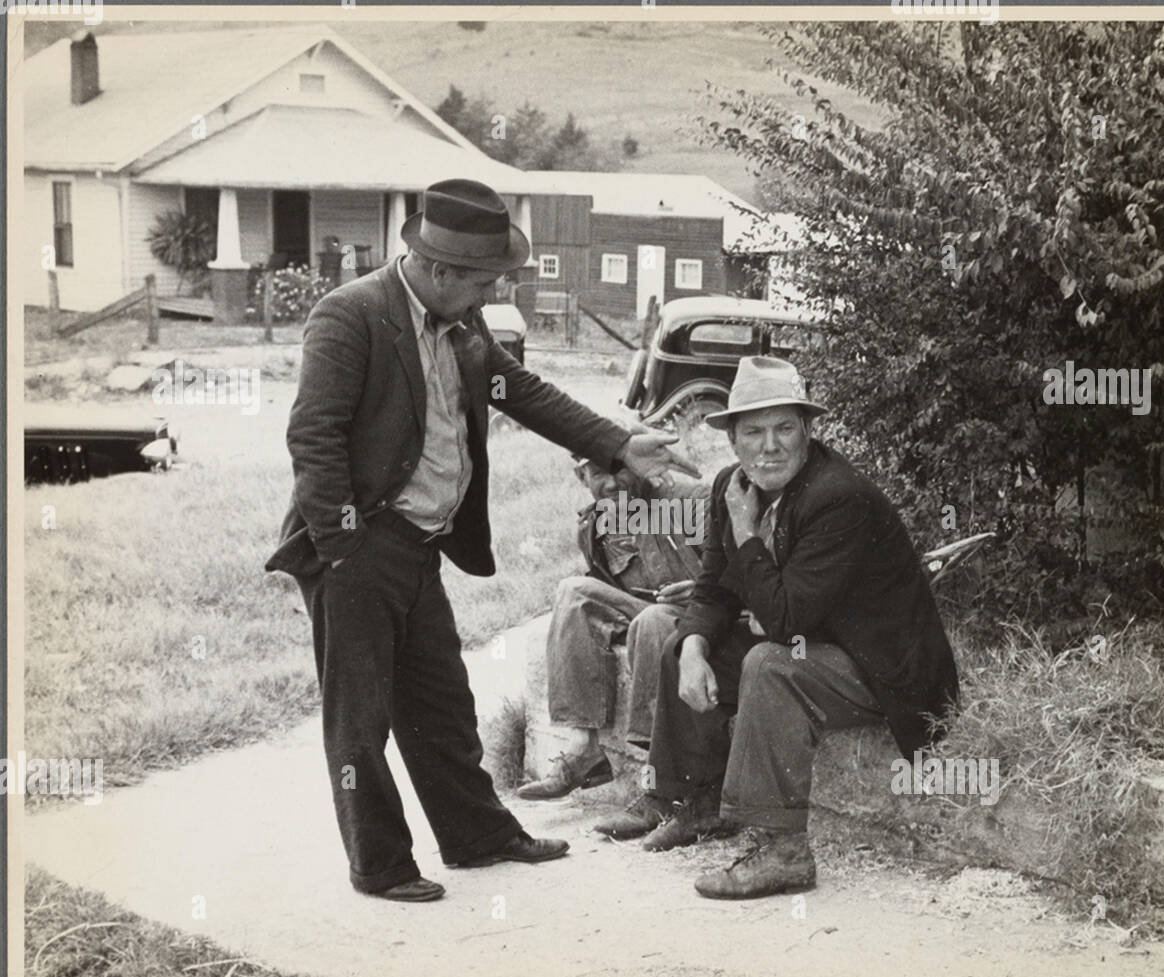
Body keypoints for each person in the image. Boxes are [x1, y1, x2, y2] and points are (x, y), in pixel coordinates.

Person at [265, 178, 696, 902]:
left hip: (418, 547)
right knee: (360, 718)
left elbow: (519, 391)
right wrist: (344, 550)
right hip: (359, 544)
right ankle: (380, 864)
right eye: (482, 281)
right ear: (439, 271)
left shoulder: (463, 326)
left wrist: (621, 446)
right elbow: (314, 438)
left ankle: (477, 835)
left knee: (440, 703)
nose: (489, 295)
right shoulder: (350, 316)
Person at [593, 356, 960, 896]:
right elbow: (715, 588)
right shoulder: (731, 486)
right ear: (733, 441)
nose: (770, 446)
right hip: (820, 644)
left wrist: (746, 534)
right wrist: (694, 647)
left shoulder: (839, 498)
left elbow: (787, 619)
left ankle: (784, 850)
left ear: (808, 433)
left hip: (882, 667)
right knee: (683, 643)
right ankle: (688, 801)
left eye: (785, 428)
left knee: (767, 664)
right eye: (754, 432)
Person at [518, 455, 710, 799]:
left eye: (619, 468)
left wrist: (703, 589)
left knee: (651, 622)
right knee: (573, 591)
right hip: (647, 618)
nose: (611, 483)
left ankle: (662, 782)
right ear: (581, 476)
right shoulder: (595, 525)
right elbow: (609, 588)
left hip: (702, 616)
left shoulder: (691, 499)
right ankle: (582, 750)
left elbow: (739, 572)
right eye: (597, 473)